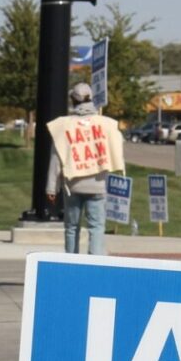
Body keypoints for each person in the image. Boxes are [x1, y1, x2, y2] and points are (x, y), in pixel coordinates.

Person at [44, 82, 125, 255]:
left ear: (73, 100)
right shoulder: (106, 124)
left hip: (72, 185)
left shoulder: (64, 126)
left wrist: (52, 186)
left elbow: (56, 157)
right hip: (97, 185)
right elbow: (115, 147)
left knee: (71, 227)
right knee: (96, 227)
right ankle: (95, 263)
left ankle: (71, 260)